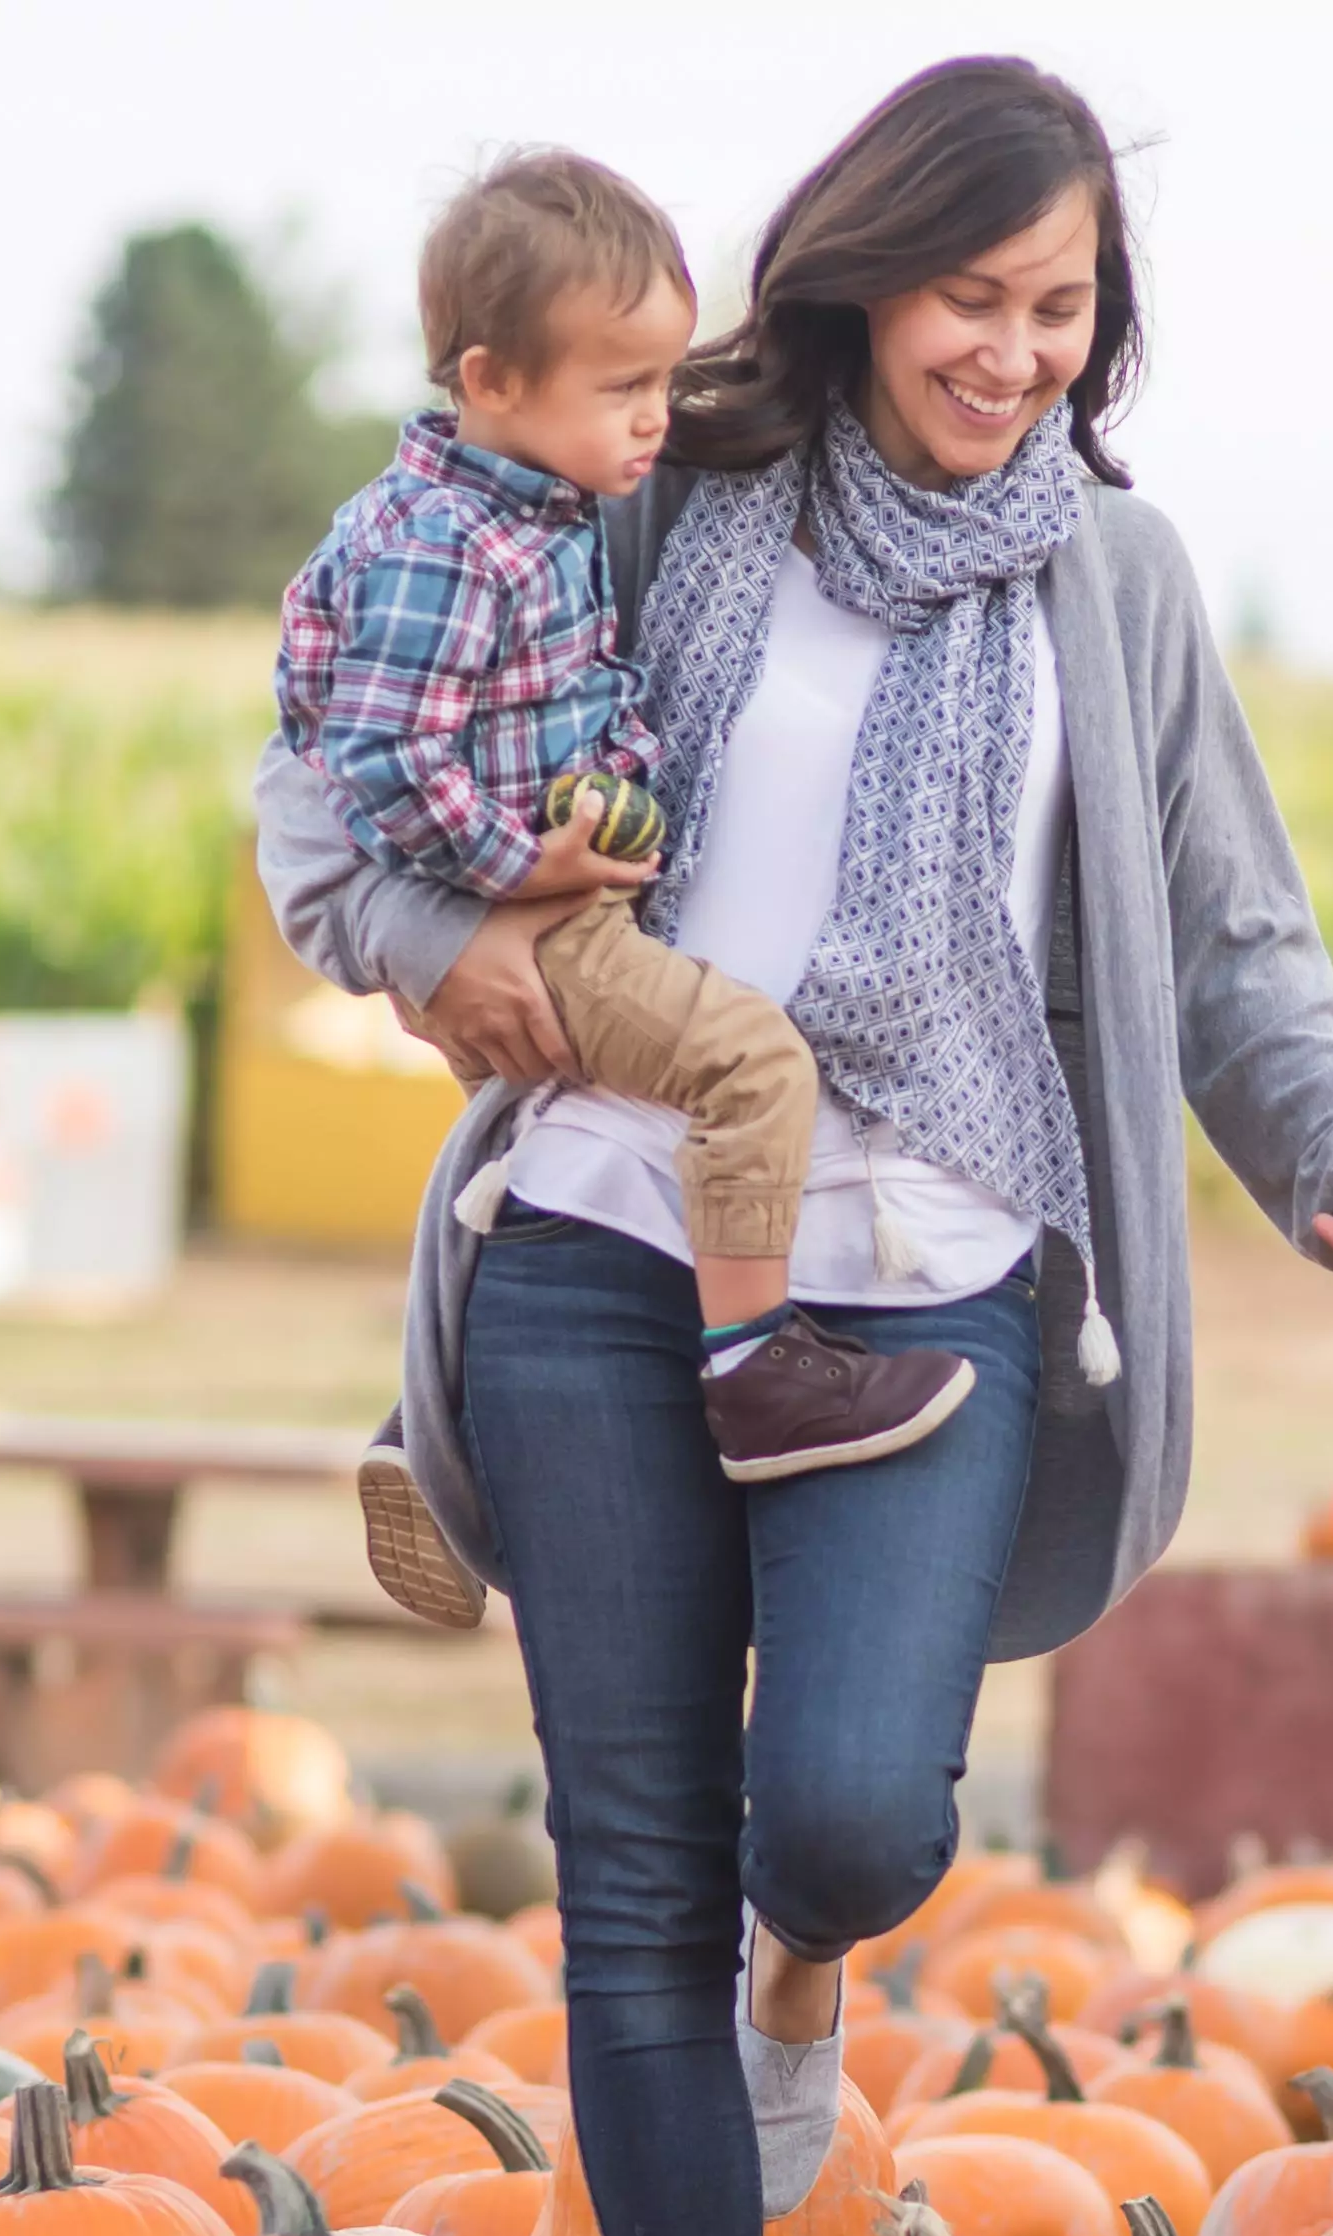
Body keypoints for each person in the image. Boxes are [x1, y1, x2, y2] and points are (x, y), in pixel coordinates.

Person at [257, 58, 1333, 2236]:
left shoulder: (1106, 588)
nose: (1014, 351)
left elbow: (1236, 947)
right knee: (627, 1870)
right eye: (972, 297)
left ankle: (812, 1965)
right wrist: (433, 945)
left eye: (1063, 311)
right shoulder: (657, 477)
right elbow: (330, 761)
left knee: (844, 1820)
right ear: (862, 269)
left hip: (937, 1261)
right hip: (599, 1229)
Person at [296, 150, 973, 1636]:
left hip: (567, 880)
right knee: (747, 1063)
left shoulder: (535, 508)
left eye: (666, 376)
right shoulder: (446, 546)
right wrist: (511, 872)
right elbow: (374, 756)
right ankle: (752, 1365)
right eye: (622, 388)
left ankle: (438, 1420)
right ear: (488, 378)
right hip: (544, 910)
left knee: (543, 1139)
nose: (656, 418)